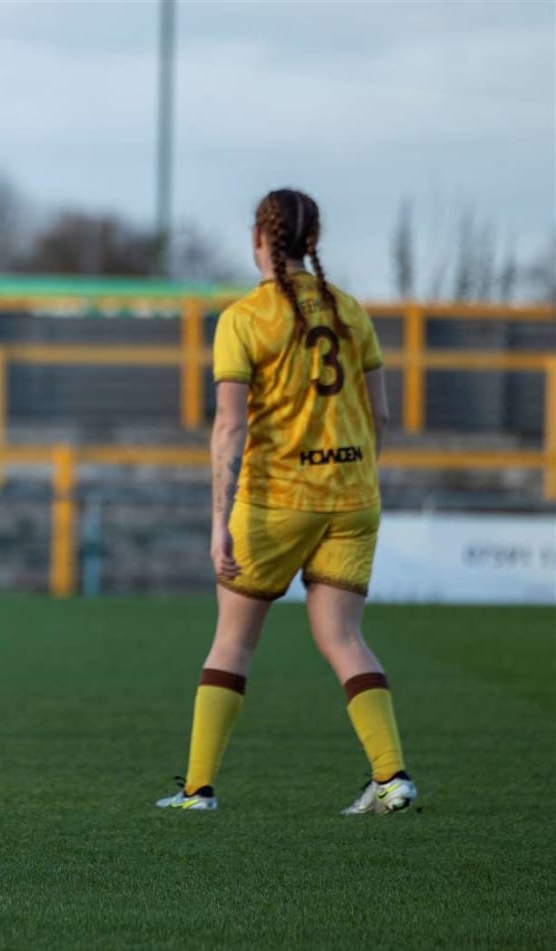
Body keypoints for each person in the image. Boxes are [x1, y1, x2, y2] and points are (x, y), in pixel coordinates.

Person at [156, 188, 416, 815]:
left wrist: (219, 523)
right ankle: (391, 778)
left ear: (258, 241)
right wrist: (353, 482)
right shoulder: (352, 312)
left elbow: (229, 427)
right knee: (344, 638)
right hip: (353, 499)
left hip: (276, 502)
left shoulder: (245, 318)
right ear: (311, 243)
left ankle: (198, 789)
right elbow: (380, 414)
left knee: (233, 643)